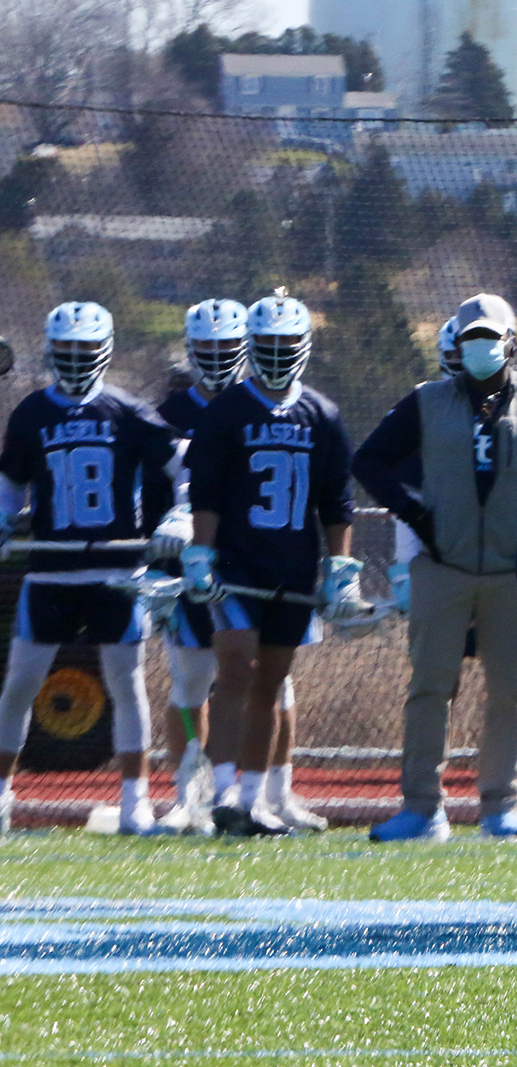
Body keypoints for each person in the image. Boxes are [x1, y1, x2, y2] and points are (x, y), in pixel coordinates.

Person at [355, 293, 517, 841]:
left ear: (511, 342)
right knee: (429, 687)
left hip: (516, 573)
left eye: (490, 338)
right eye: (470, 340)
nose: (481, 349)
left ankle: (501, 807)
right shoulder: (426, 401)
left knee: (510, 691)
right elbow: (367, 461)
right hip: (443, 566)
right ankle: (421, 808)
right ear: (455, 345)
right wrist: (419, 516)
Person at [183, 291, 361, 837]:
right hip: (238, 563)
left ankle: (254, 800)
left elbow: (336, 502)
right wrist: (201, 554)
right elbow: (207, 492)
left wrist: (341, 568)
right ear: (251, 347)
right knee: (237, 670)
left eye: (288, 343)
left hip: (293, 565)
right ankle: (222, 792)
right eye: (268, 344)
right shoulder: (229, 410)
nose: (279, 353)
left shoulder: (322, 415)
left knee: (272, 683)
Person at [0, 302, 177, 836]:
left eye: (84, 350)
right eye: (66, 351)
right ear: (53, 352)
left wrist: (184, 514)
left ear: (103, 351)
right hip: (51, 569)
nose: (75, 360)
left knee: (126, 684)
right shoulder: (32, 412)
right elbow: (11, 484)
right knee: (20, 685)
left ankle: (135, 802)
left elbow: (184, 462)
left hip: (115, 570)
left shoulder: (127, 410)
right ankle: (1, 798)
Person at [156, 299, 321, 834]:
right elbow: (159, 489)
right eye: (207, 349)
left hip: (255, 561)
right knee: (192, 678)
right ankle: (190, 793)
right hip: (194, 562)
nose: (219, 357)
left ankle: (275, 790)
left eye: (228, 347)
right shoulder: (171, 415)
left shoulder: (267, 405)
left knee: (275, 684)